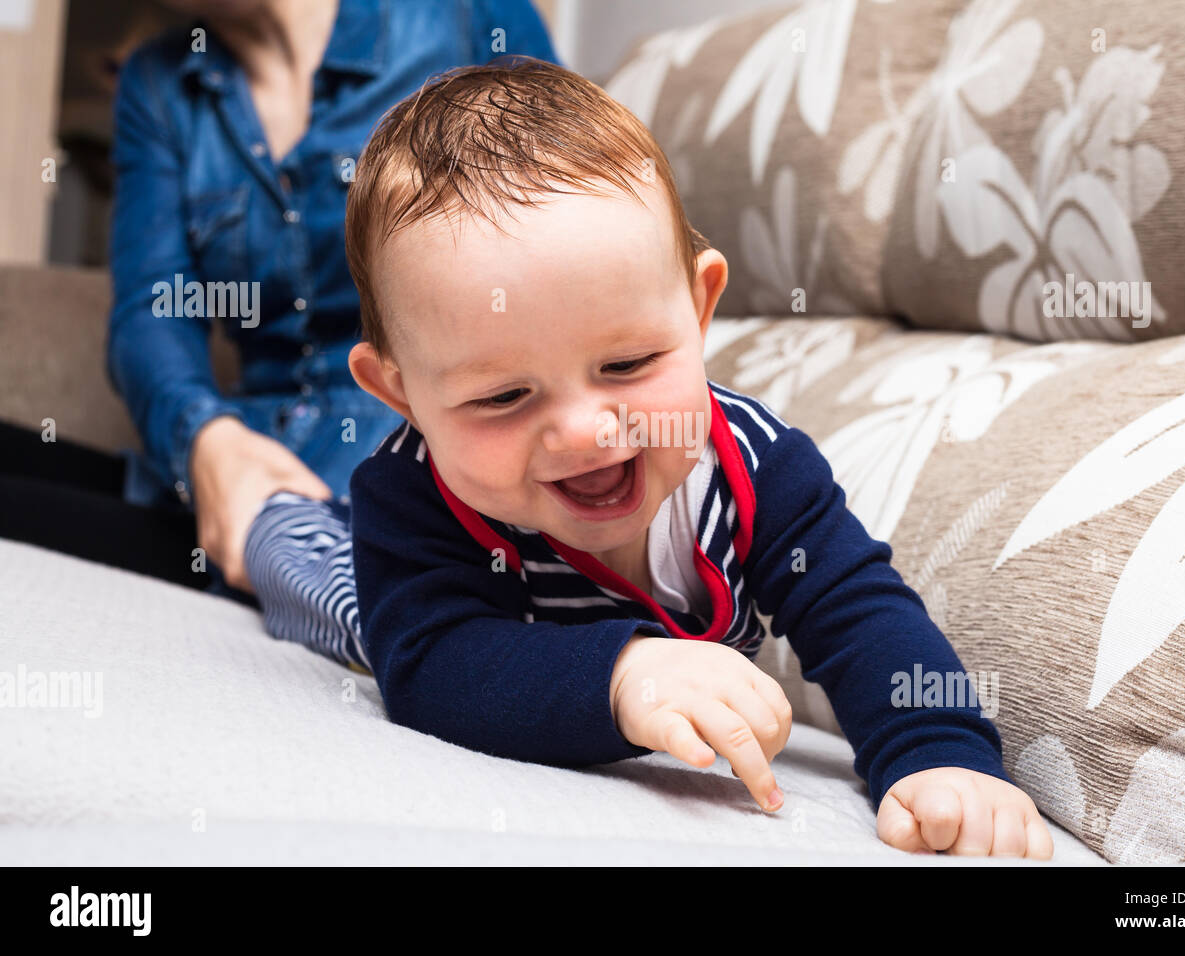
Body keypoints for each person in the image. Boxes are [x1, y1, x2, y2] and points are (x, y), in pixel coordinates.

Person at [241, 57, 1056, 858]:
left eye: (626, 365)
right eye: (502, 397)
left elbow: (859, 612)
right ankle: (266, 514)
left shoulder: (757, 469)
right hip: (373, 577)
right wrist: (620, 677)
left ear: (700, 309)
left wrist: (940, 752)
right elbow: (431, 666)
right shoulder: (411, 489)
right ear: (402, 395)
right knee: (321, 582)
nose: (587, 433)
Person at [0, 0, 558, 602]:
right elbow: (152, 310)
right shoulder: (159, 82)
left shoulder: (466, 17)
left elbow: (570, 227)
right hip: (235, 468)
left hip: (398, 482)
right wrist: (206, 440)